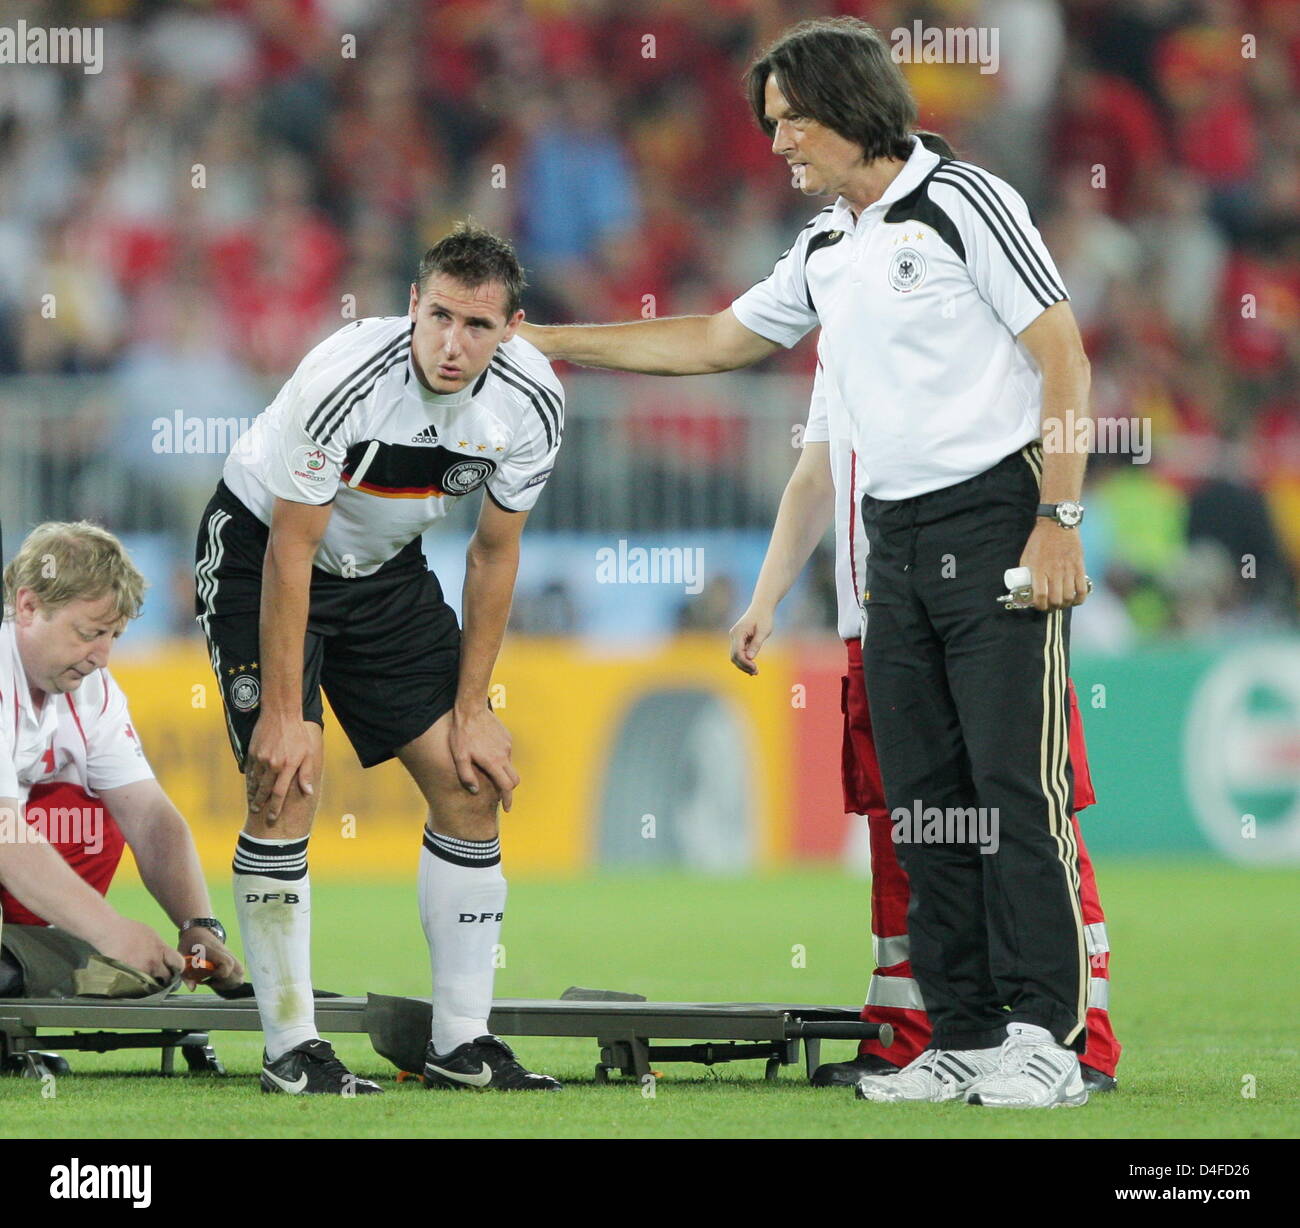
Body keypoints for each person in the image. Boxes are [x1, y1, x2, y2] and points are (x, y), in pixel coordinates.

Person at [520, 17, 1097, 1107]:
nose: (777, 143)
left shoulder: (966, 201)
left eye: (790, 122)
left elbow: (1061, 353)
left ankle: (1046, 1038)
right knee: (922, 801)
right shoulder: (829, 245)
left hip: (993, 518)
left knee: (1014, 790)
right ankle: (966, 1036)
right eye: (771, 125)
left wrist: (1056, 516)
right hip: (889, 534)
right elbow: (716, 340)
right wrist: (552, 342)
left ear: (845, 108)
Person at [195, 222, 564, 1095]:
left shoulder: (532, 402)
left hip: (386, 573)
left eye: (477, 327)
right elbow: (293, 549)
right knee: (285, 780)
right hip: (261, 553)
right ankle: (291, 1051)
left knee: (471, 785)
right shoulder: (342, 380)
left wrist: (474, 707)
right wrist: (284, 718)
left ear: (511, 329)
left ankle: (461, 1045)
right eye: (438, 316)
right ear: (411, 304)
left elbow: (492, 555)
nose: (451, 343)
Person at [727, 344, 1121, 1092]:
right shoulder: (845, 332)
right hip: (873, 624)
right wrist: (766, 597)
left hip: (980, 612)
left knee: (1031, 811)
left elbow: (1063, 380)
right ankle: (922, 1032)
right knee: (907, 824)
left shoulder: (955, 318)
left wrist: (1056, 524)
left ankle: (1083, 1039)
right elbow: (814, 478)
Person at [0, 522, 243, 993]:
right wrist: (110, 931)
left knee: (86, 814)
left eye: (113, 635)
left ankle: (17, 965)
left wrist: (198, 926)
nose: (103, 656)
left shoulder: (92, 690)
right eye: (90, 632)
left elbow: (149, 816)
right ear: (28, 607)